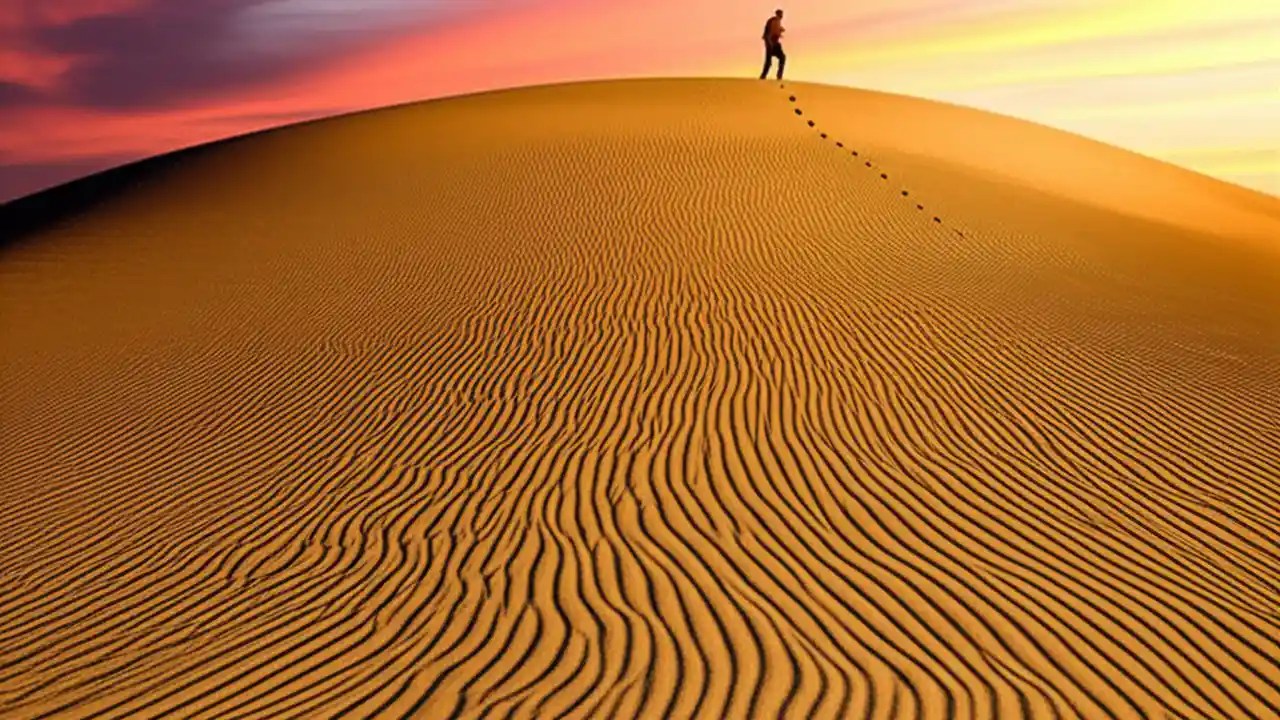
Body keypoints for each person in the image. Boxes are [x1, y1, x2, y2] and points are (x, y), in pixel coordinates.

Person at [760, 9, 786, 80]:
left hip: (775, 43)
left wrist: (780, 31)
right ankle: (763, 77)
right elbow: (768, 32)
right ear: (777, 14)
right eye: (780, 14)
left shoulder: (777, 21)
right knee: (768, 62)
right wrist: (769, 43)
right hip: (770, 43)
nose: (781, 16)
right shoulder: (773, 21)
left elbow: (776, 31)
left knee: (782, 57)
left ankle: (779, 75)